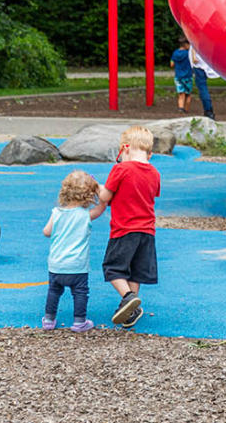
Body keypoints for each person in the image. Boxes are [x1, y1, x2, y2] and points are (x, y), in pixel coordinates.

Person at [98, 125, 161, 329]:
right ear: (149, 153)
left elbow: (105, 197)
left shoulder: (121, 169)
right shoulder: (155, 173)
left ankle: (128, 297)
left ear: (125, 148)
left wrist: (95, 186)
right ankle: (131, 310)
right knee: (135, 271)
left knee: (113, 267)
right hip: (147, 231)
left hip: (124, 229)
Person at [41, 170, 106, 333]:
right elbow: (100, 209)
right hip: (77, 266)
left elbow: (46, 232)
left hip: (56, 264)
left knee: (54, 291)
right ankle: (79, 321)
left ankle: (49, 319)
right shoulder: (85, 215)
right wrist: (100, 192)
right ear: (88, 195)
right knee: (80, 293)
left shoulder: (56, 213)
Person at [189, 42, 219, 120]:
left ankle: (208, 111)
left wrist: (193, 56)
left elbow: (194, 43)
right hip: (206, 63)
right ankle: (209, 110)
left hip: (198, 65)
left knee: (202, 88)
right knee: (203, 88)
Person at [170, 37, 192, 113]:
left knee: (181, 94)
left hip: (178, 76)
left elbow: (172, 64)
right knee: (188, 94)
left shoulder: (175, 53)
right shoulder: (188, 53)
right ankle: (186, 110)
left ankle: (180, 108)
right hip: (187, 76)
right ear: (186, 44)